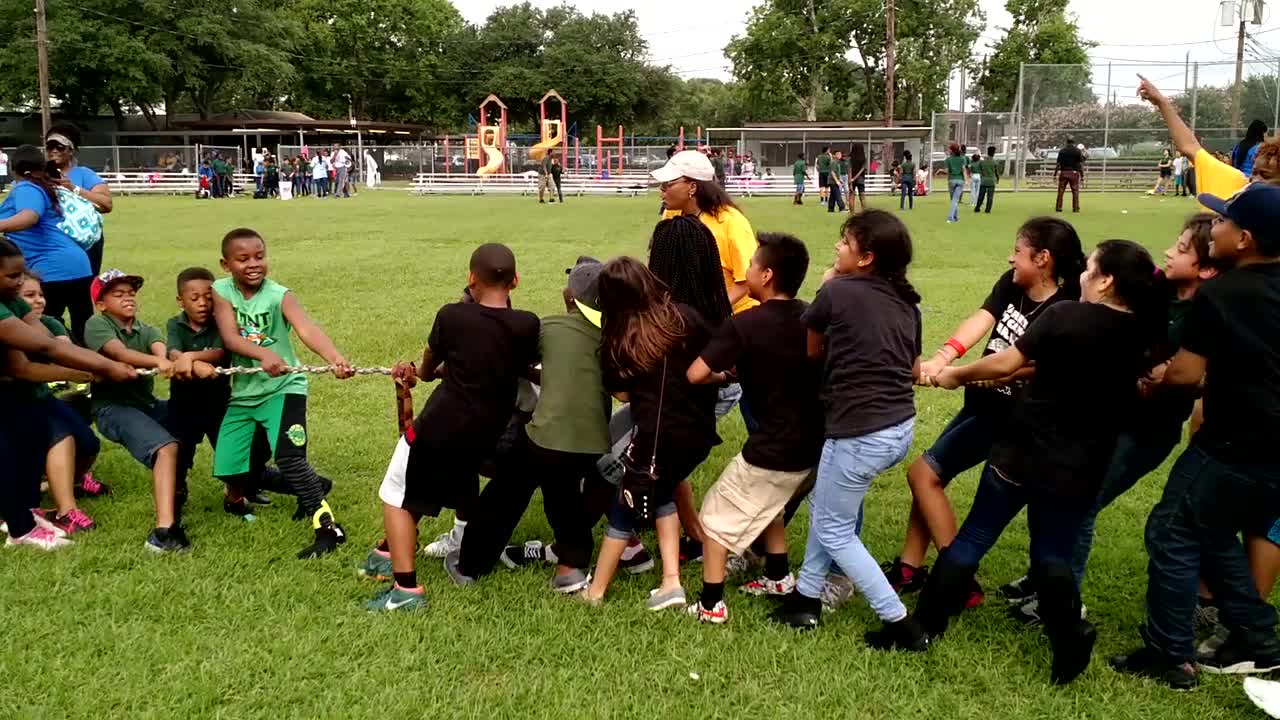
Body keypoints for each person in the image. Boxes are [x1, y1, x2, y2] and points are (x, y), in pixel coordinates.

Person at [913, 240, 1167, 686]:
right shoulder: (1145, 333)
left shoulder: (1064, 314)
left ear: (1106, 281)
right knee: (1052, 553)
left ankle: (923, 627)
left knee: (974, 536)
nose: (1082, 275)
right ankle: (1069, 636)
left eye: (1090, 269)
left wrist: (956, 374)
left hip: (1022, 451)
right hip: (1082, 465)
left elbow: (1007, 363)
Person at [1000, 214, 1221, 623]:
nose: (1169, 252)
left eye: (1182, 249)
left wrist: (1171, 380)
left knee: (1081, 505)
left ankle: (1064, 600)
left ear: (1207, 268)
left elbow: (1207, 376)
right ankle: (1044, 576)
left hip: (1145, 432)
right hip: (1107, 416)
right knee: (1055, 495)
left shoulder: (1210, 311)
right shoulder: (1159, 291)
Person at [1111, 182, 1280, 689]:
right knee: (1210, 530)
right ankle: (1256, 637)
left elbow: (1186, 375)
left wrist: (1153, 381)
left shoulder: (1223, 293)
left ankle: (1170, 654)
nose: (1215, 229)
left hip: (1234, 442)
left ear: (1245, 239)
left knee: (1171, 530)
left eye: (1224, 222)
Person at [886, 218, 1084, 601]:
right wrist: (944, 356)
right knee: (930, 479)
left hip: (1010, 416)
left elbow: (1036, 365)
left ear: (1043, 258)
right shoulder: (1014, 284)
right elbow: (984, 317)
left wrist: (967, 374)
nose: (1011, 258)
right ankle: (909, 567)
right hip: (982, 404)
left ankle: (958, 580)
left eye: (1018, 251)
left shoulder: (1064, 308)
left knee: (922, 474)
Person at [771, 211, 928, 654]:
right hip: (898, 428)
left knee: (836, 530)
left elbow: (812, 352)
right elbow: (913, 368)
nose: (837, 247)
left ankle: (901, 625)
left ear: (866, 257)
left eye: (845, 242)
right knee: (827, 512)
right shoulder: (907, 303)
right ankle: (806, 600)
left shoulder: (836, 292)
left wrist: (829, 286)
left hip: (859, 433)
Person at [366, 244, 539, 611]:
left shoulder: (452, 315)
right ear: (515, 281)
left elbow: (429, 367)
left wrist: (421, 372)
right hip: (485, 433)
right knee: (427, 482)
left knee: (395, 494)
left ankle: (405, 590)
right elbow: (514, 364)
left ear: (471, 278)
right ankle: (386, 551)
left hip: (440, 425)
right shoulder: (527, 324)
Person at [447, 257, 609, 592]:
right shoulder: (610, 334)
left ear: (570, 297)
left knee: (505, 492)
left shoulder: (550, 326)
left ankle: (470, 564)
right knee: (563, 492)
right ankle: (571, 568)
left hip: (547, 434)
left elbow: (509, 356)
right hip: (594, 440)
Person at [685, 233, 822, 624]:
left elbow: (695, 374)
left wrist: (723, 375)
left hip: (776, 449)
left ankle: (711, 604)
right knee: (771, 503)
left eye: (750, 265)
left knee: (715, 516)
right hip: (815, 448)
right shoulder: (812, 318)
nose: (745, 272)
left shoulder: (744, 324)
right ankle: (777, 577)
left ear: (767, 275)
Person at [580, 258, 718, 609]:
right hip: (698, 434)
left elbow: (622, 395)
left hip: (655, 442)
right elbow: (712, 362)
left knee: (622, 510)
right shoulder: (685, 318)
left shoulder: (618, 339)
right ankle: (671, 582)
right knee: (662, 493)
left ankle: (595, 591)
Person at [211, 228, 353, 559]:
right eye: (243, 259)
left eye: (259, 256)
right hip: (244, 394)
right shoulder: (221, 291)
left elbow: (306, 328)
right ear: (226, 264)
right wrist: (263, 354)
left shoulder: (279, 295)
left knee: (290, 457)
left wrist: (334, 358)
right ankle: (313, 485)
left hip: (284, 388)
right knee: (230, 468)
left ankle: (328, 529)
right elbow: (230, 338)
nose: (253, 264)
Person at [0, 239, 135, 550]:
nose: (20, 282)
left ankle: (27, 513)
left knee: (31, 438)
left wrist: (96, 365)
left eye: (22, 274)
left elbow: (44, 340)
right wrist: (102, 368)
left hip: (13, 392)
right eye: (13, 276)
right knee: (4, 456)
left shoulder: (13, 303)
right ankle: (21, 530)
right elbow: (41, 350)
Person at [82, 269, 192, 552]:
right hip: (112, 409)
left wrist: (166, 359)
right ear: (101, 304)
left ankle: (179, 490)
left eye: (131, 293)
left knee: (189, 420)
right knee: (165, 447)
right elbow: (119, 353)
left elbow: (160, 348)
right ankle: (163, 533)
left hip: (147, 405)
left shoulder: (146, 329)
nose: (128, 298)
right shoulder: (97, 324)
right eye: (118, 294)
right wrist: (157, 362)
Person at [3, 269, 101, 535]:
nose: (37, 300)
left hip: (41, 398)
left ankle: (67, 482)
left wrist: (103, 366)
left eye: (40, 294)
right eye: (28, 295)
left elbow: (63, 351)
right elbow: (23, 370)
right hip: (16, 402)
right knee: (59, 437)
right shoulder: (8, 328)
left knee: (88, 443)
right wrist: (89, 372)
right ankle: (66, 512)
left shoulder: (49, 323)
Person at [0, 145, 94, 344]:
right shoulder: (42, 186)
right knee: (83, 333)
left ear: (13, 168)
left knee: (46, 332)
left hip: (52, 268)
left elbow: (29, 216)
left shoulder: (26, 187)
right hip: (77, 265)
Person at [45, 124, 111, 276]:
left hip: (85, 243)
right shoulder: (37, 176)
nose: (54, 151)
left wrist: (73, 188)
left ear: (71, 150)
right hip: (51, 242)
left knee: (85, 285)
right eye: (50, 146)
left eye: (60, 147)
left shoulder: (84, 174)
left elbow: (106, 204)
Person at [1054, 137, 1085, 213]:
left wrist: (1055, 174)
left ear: (1066, 142)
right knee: (1075, 191)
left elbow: (1058, 164)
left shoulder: (1062, 151)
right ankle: (1075, 208)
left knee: (1061, 191)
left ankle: (1058, 207)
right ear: (1074, 143)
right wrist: (1082, 175)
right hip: (1074, 173)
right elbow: (1080, 164)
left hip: (1064, 172)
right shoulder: (1077, 151)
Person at [974, 146, 1000, 214]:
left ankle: (977, 208)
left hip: (984, 180)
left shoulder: (982, 162)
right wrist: (997, 179)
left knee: (981, 195)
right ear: (993, 153)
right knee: (990, 196)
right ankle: (988, 209)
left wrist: (982, 175)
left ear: (987, 152)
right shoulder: (995, 162)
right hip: (991, 181)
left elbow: (980, 170)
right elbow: (997, 173)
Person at [945, 144, 965, 223]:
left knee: (953, 200)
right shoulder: (962, 159)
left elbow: (946, 171)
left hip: (951, 180)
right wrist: (966, 180)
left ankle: (950, 217)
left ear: (952, 150)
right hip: (960, 180)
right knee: (955, 200)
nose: (948, 150)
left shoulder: (948, 159)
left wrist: (940, 171)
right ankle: (956, 217)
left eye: (949, 149)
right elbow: (963, 170)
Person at [848, 145, 867, 213]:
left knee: (851, 197)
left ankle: (852, 213)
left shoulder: (850, 159)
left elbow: (849, 170)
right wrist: (854, 178)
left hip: (851, 179)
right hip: (861, 179)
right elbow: (862, 170)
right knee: (862, 197)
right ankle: (864, 213)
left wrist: (851, 181)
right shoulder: (864, 159)